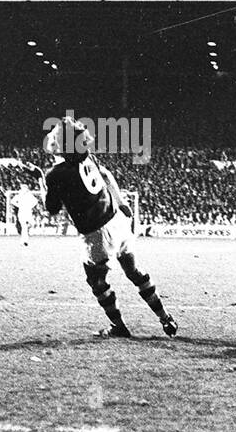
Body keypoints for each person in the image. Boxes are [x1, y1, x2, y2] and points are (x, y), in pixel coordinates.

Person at [41, 116, 177, 338]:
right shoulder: (87, 158)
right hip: (117, 222)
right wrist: (122, 202)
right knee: (133, 271)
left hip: (98, 234)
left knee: (96, 280)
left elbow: (52, 208)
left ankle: (119, 327)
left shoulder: (56, 174)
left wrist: (41, 179)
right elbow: (106, 174)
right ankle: (166, 318)